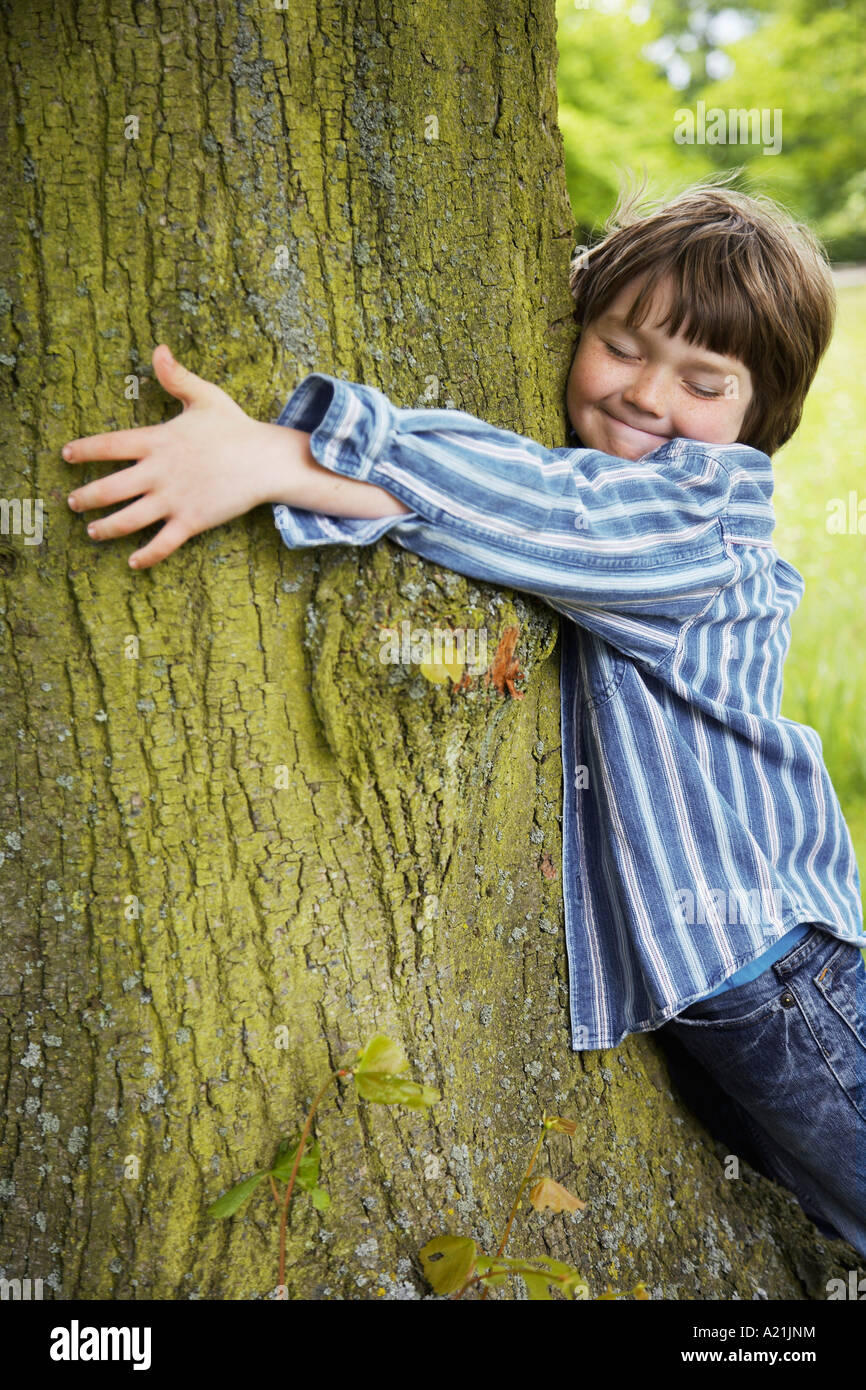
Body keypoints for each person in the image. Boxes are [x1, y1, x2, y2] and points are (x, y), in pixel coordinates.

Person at [62, 179, 866, 1257]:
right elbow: (485, 519)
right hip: (739, 996)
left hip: (782, 981)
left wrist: (281, 455)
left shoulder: (695, 528)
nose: (646, 393)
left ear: (755, 420)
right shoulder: (609, 511)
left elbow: (536, 506)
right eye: (621, 345)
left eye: (701, 381)